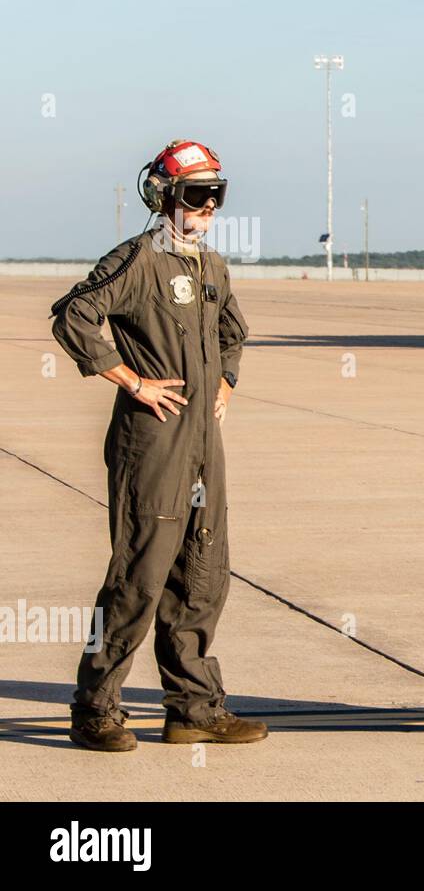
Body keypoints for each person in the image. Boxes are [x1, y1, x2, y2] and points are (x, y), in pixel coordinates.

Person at [50, 139, 266, 751]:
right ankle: (95, 708)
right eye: (198, 196)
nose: (209, 208)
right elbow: (74, 316)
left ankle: (194, 708)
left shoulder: (212, 267)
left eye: (217, 196)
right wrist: (133, 381)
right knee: (138, 576)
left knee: (202, 575)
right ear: (165, 198)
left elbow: (233, 331)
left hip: (203, 443)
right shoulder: (138, 260)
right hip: (153, 441)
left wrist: (225, 383)